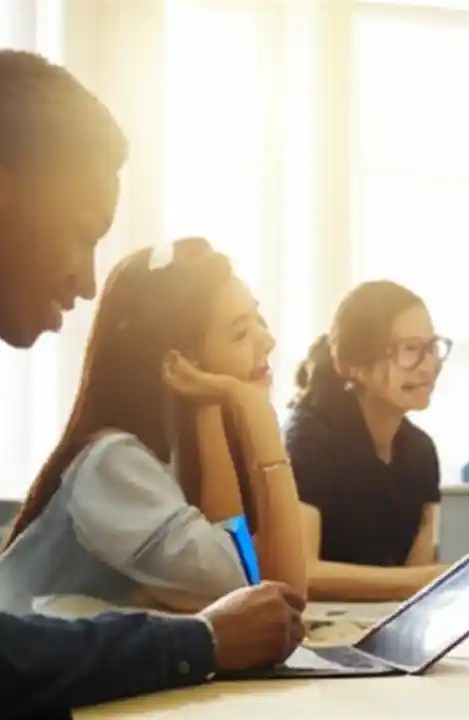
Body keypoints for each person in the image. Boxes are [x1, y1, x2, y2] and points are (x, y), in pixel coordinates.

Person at [0, 50, 301, 716]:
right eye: (83, 235)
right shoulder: (113, 464)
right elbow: (258, 579)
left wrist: (217, 420)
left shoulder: (161, 461)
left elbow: (253, 567)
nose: (86, 280)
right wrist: (250, 410)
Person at [0, 236, 308, 613]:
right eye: (240, 332)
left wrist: (208, 406)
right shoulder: (114, 465)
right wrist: (255, 410)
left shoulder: (181, 453)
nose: (268, 341)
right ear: (179, 361)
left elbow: (242, 559)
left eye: (258, 320)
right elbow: (265, 592)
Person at [286, 280, 448, 601]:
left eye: (431, 347)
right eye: (410, 350)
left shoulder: (421, 451)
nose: (429, 365)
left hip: (383, 625)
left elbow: (416, 574)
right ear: (355, 366)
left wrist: (426, 580)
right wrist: (429, 579)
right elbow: (302, 571)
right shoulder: (308, 441)